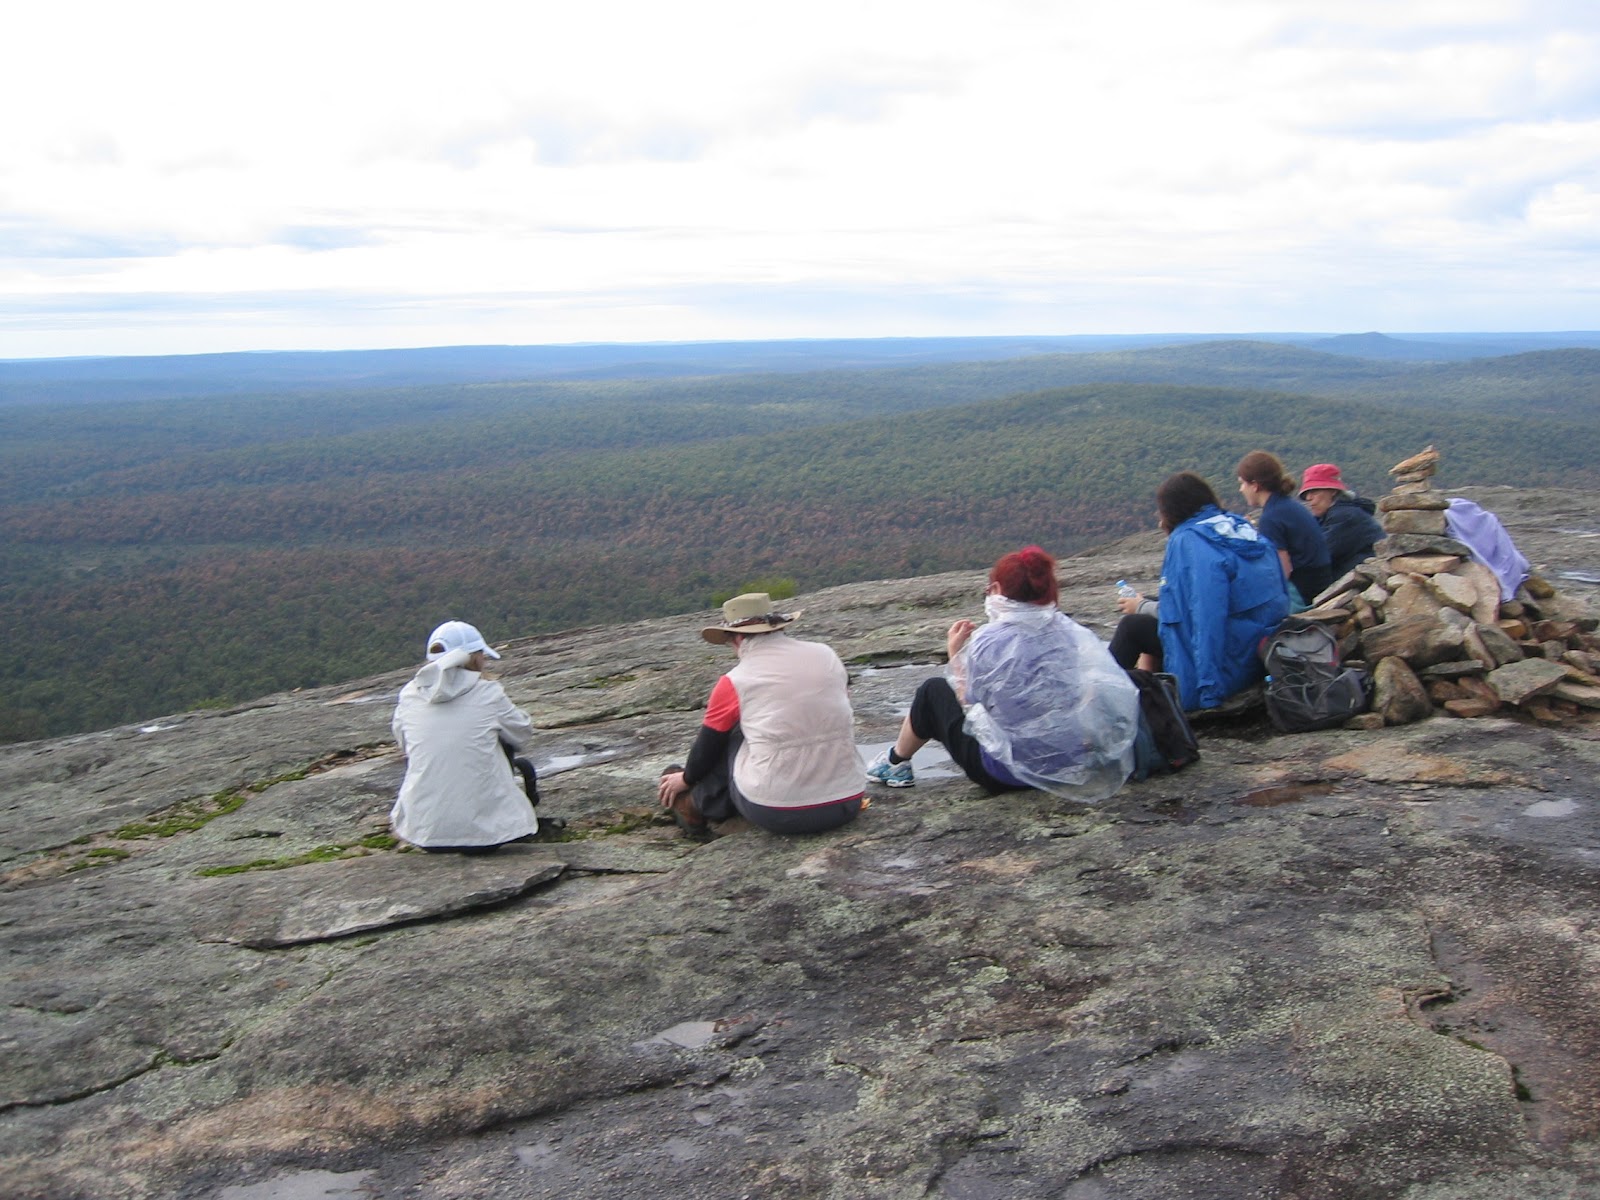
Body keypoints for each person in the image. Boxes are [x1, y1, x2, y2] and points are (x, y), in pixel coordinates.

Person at [865, 546, 1140, 801]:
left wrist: (954, 654)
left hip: (1008, 773)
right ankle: (895, 762)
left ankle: (895, 763)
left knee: (932, 691)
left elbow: (970, 706)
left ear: (996, 588)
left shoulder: (990, 641)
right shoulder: (1067, 631)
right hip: (1068, 762)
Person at [657, 593, 864, 837]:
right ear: (778, 627)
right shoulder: (826, 655)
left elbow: (708, 746)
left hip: (776, 811)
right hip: (847, 801)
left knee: (736, 731)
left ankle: (696, 804)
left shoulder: (736, 680)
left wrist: (687, 778)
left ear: (737, 639)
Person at [1109, 473, 1289, 711]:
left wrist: (1208, 690)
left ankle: (1102, 701)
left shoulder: (1188, 541)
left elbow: (1204, 617)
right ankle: (1148, 691)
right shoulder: (1239, 527)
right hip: (1258, 654)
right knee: (1152, 611)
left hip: (1227, 664)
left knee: (1132, 627)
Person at [391, 620, 545, 853]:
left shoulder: (409, 695)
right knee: (507, 747)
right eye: (481, 654)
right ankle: (502, 813)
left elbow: (404, 743)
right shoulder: (487, 692)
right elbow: (522, 734)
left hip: (425, 833)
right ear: (473, 658)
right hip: (485, 836)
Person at [1236, 450, 1332, 606]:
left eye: (1242, 483)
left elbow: (1282, 571)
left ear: (1254, 485)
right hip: (1320, 584)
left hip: (1303, 594)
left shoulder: (1271, 517)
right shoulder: (1288, 506)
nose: (1241, 489)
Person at [1298, 463, 1384, 578]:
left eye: (1314, 491)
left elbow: (1318, 557)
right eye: (1307, 493)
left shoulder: (1345, 517)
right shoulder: (1325, 518)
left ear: (1333, 491)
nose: (1309, 498)